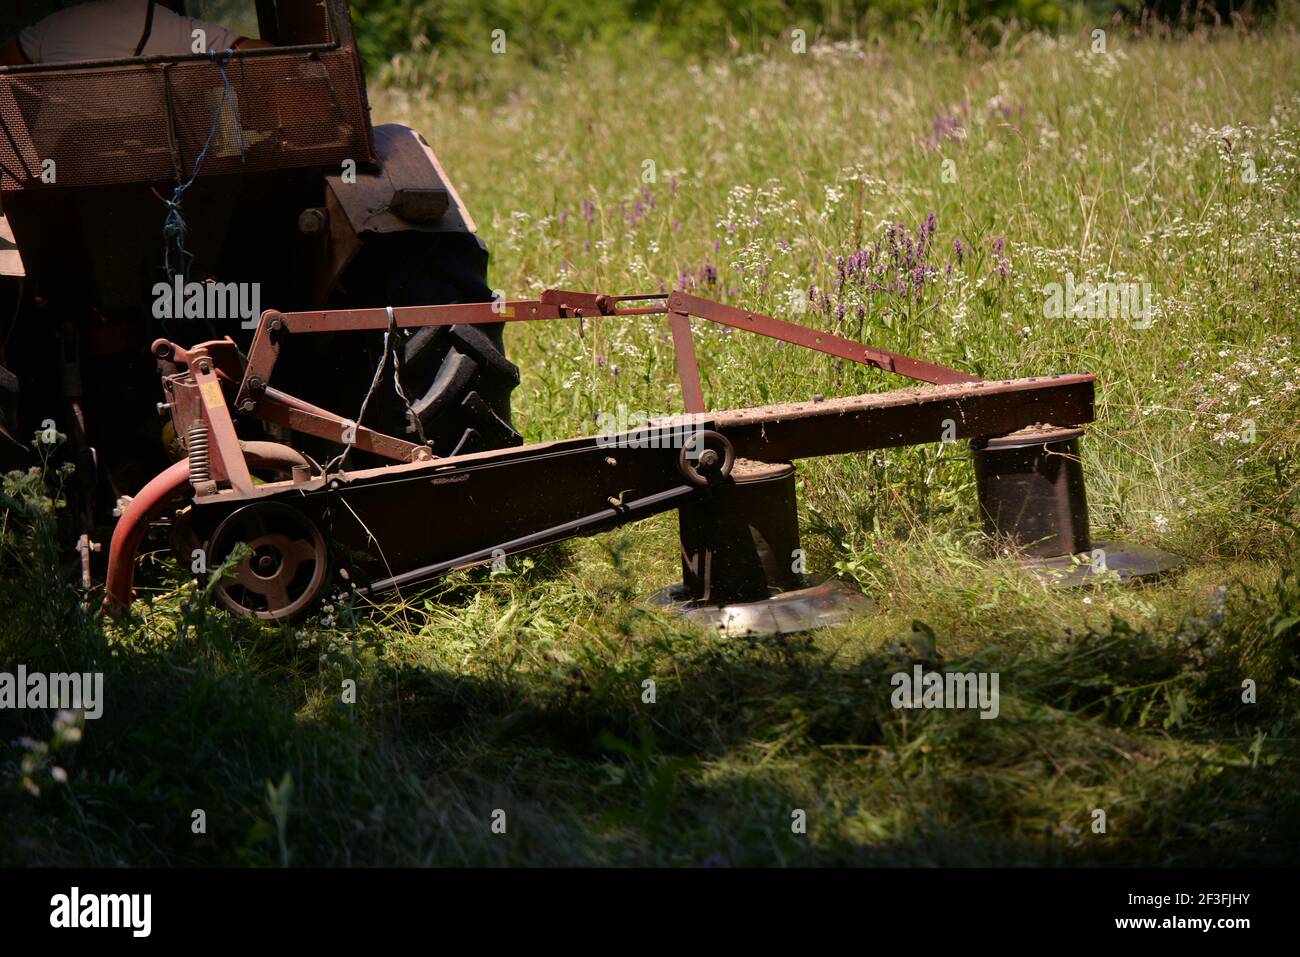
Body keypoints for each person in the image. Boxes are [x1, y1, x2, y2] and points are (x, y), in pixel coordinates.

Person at [0, 0, 271, 66]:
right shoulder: (175, 27)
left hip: (58, 173)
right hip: (150, 168)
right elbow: (261, 54)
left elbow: (7, 64)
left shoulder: (57, 24)